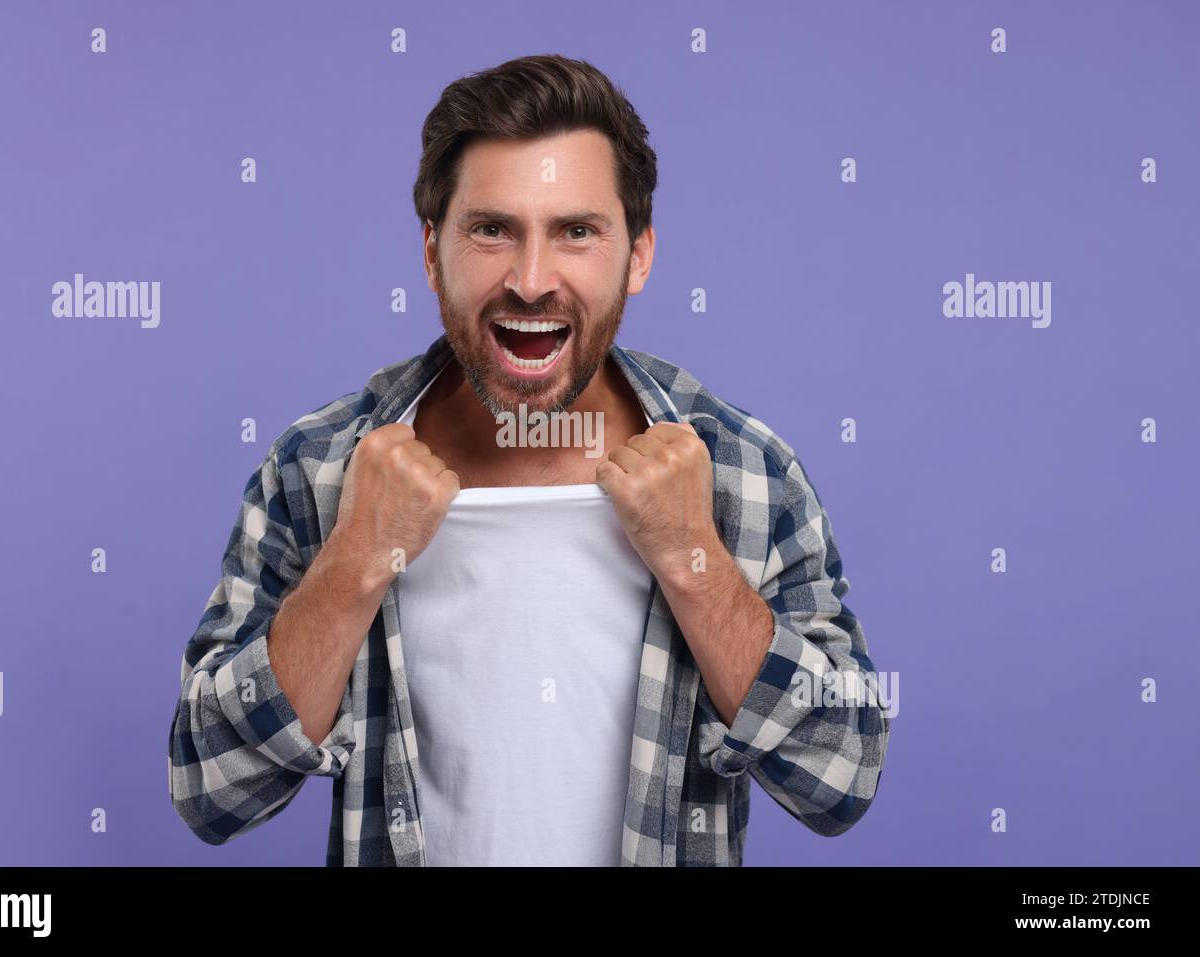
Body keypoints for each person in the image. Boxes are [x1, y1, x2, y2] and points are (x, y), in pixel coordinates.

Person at [168, 53, 890, 866]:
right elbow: (211, 792)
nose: (532, 279)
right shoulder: (321, 467)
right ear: (433, 251)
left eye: (576, 230)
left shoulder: (744, 474)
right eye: (491, 229)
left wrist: (696, 564)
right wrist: (354, 562)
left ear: (639, 255)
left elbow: (843, 777)